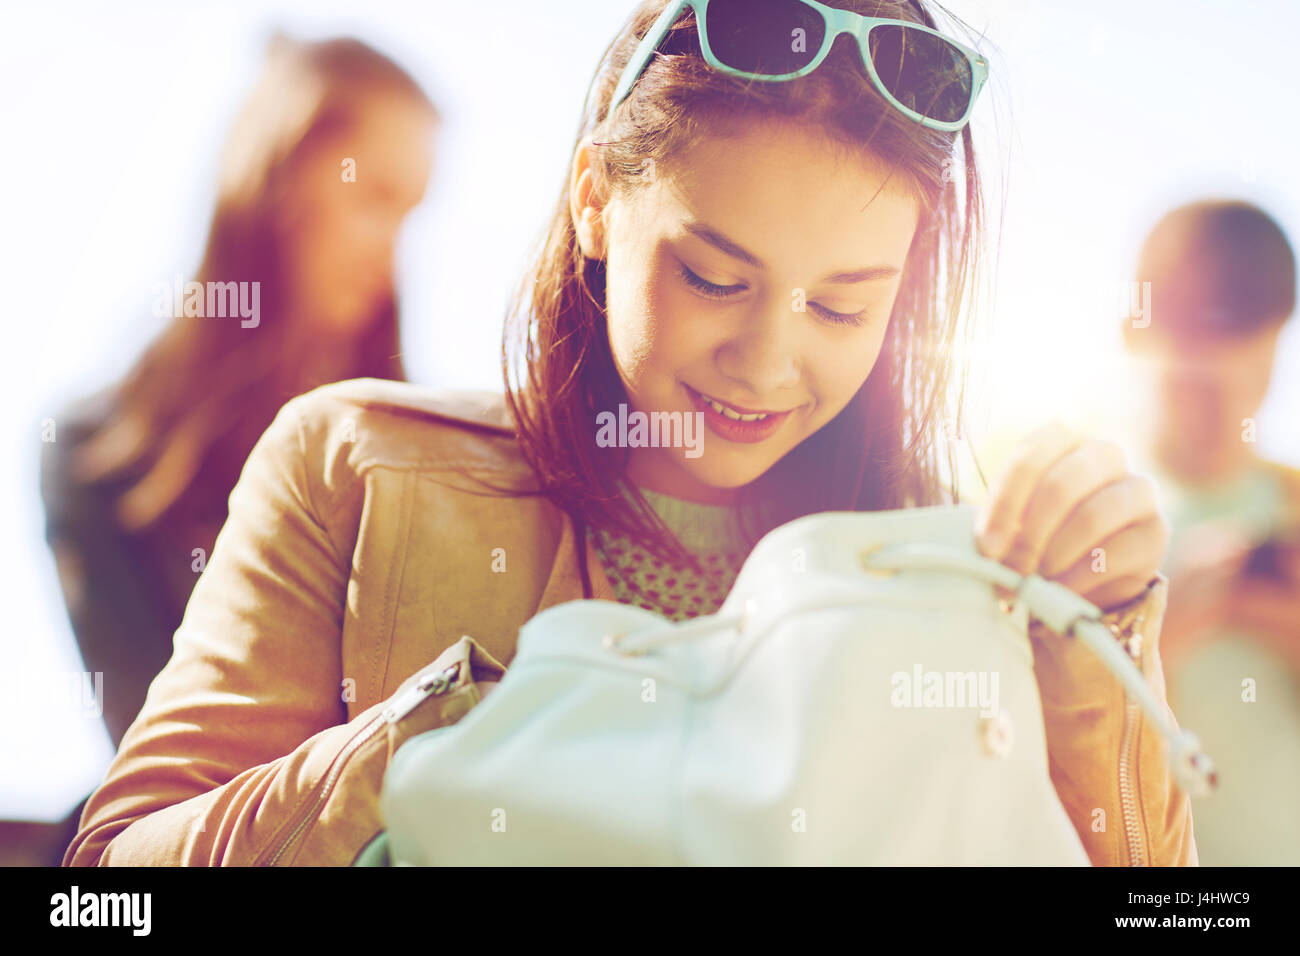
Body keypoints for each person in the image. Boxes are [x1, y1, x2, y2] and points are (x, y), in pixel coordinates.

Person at [63, 0, 1194, 867]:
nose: (763, 360)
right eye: (712, 276)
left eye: (844, 304)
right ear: (594, 201)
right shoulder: (359, 467)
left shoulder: (958, 563)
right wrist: (437, 750)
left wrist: (1094, 632)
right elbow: (108, 882)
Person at [40, 34, 436, 862]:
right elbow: (162, 748)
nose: (389, 249)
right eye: (375, 196)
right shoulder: (93, 456)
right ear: (281, 175)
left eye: (410, 214)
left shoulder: (413, 445)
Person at [1122, 199, 1300, 864]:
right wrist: (1149, 646)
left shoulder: (1293, 507)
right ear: (1133, 335)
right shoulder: (1088, 525)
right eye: (1198, 382)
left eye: (1255, 373)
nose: (1231, 409)